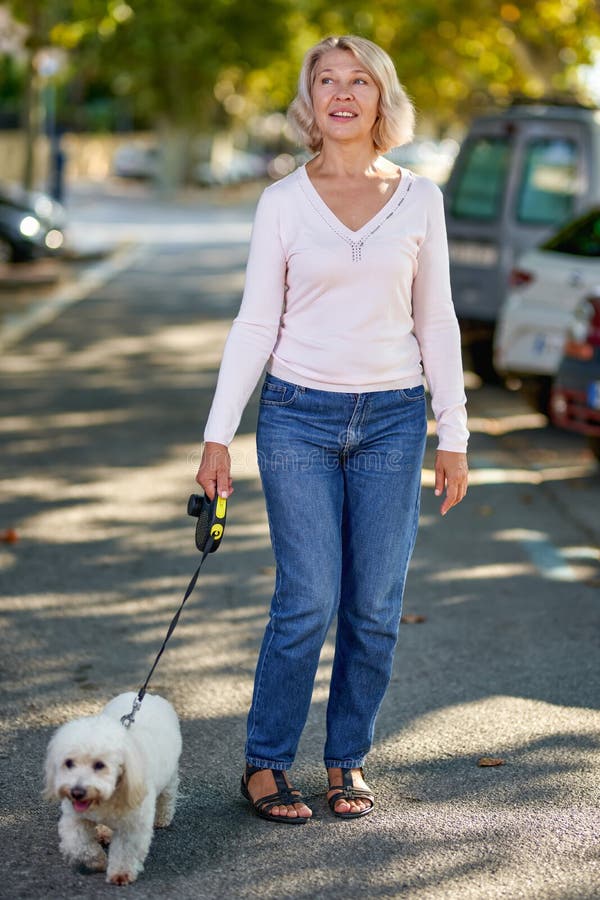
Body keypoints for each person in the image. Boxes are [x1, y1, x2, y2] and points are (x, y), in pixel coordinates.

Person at [196, 34, 469, 823]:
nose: (343, 92)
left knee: (375, 606)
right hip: (297, 416)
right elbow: (255, 323)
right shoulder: (281, 202)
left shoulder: (422, 199)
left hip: (392, 419)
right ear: (309, 101)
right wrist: (217, 437)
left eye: (359, 80)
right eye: (327, 80)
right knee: (308, 598)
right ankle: (266, 761)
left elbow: (438, 321)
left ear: (382, 98)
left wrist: (453, 433)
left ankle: (347, 758)